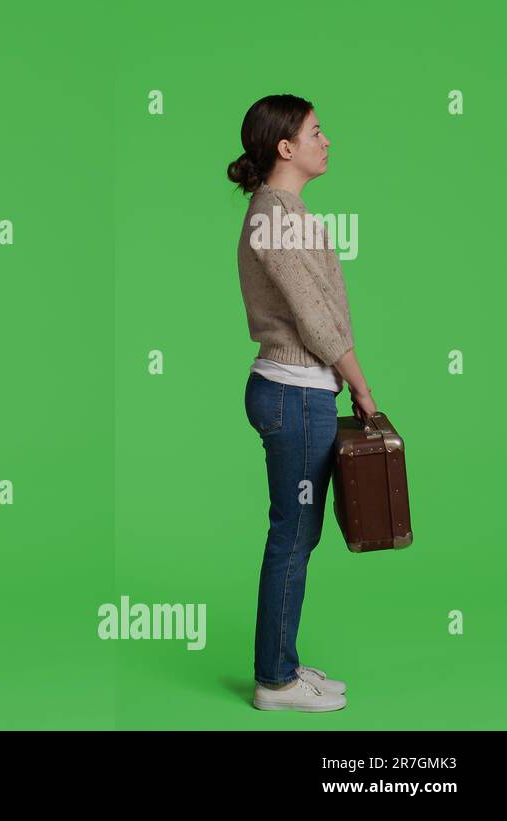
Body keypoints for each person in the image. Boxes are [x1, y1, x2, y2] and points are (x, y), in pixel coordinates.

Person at [229, 94, 374, 712]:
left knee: (297, 532)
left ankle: (282, 663)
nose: (327, 140)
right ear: (285, 147)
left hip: (297, 392)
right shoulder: (276, 216)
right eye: (317, 131)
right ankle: (276, 682)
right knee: (293, 534)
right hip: (295, 393)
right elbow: (316, 320)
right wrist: (362, 386)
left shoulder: (284, 211)